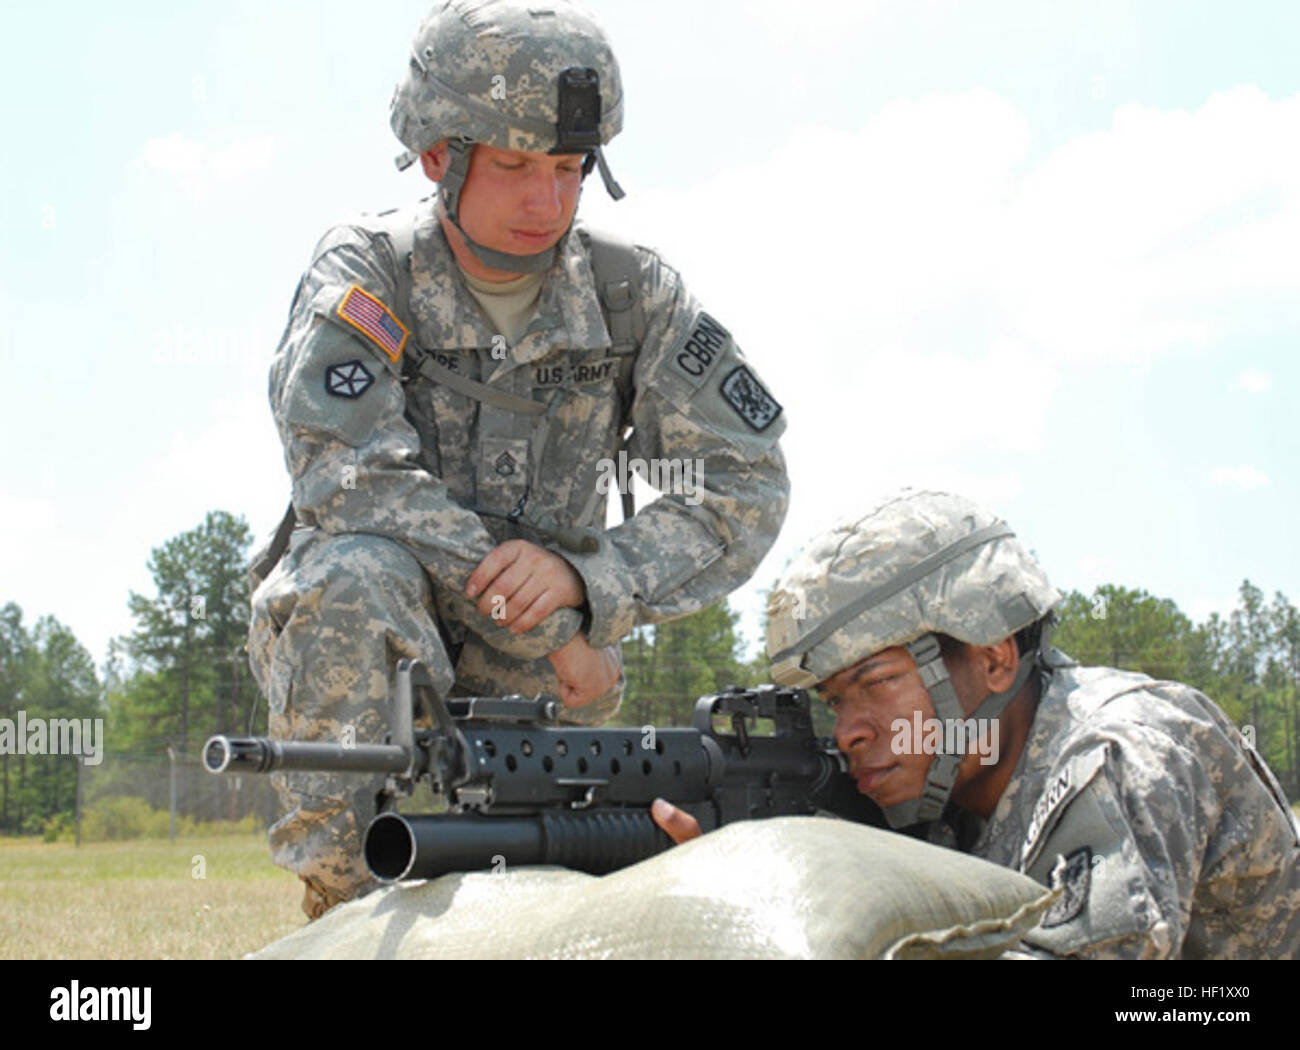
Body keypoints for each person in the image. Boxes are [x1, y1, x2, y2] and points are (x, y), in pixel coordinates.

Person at [248, 0, 790, 919]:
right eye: (513, 166)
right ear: (436, 156)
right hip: (385, 662)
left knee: (538, 920)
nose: (550, 201)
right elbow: (348, 472)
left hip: (548, 699)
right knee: (352, 573)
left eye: (571, 168)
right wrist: (559, 632)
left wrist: (593, 580)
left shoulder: (634, 297)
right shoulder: (370, 269)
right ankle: (340, 917)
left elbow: (745, 482)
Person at [652, 490, 1300, 958]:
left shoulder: (1121, 750)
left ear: (993, 659)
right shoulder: (941, 791)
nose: (848, 731)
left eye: (876, 683)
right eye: (833, 702)